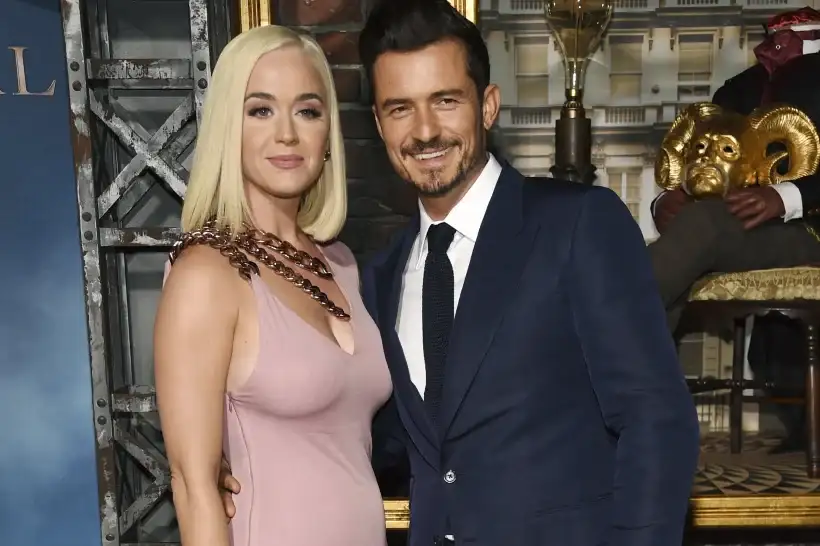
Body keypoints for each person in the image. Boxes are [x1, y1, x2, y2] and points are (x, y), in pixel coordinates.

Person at [221, 1, 700, 545]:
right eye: (400, 109)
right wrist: (243, 452)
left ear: (487, 106)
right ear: (379, 124)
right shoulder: (379, 277)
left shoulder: (577, 225)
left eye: (445, 101)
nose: (425, 131)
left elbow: (655, 420)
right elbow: (370, 438)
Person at [153, 25, 392, 546]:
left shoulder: (340, 265)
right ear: (227, 128)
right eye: (260, 110)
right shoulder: (206, 273)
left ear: (328, 134)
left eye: (307, 111)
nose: (287, 134)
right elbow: (194, 488)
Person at [649, 7, 820, 452]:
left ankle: (597, 366)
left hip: (812, 227)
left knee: (699, 230)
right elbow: (702, 161)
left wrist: (786, 197)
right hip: (740, 226)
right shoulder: (738, 89)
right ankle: (636, 406)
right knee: (685, 240)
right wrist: (669, 199)